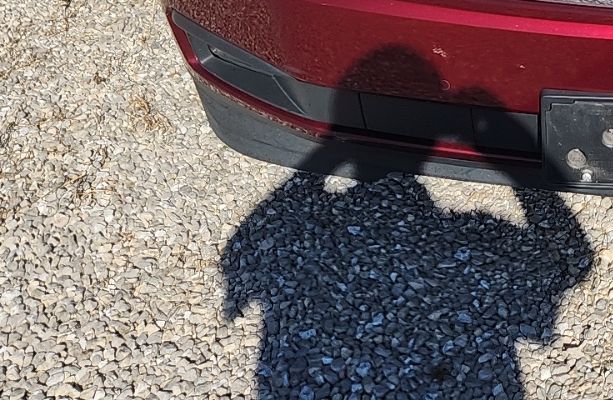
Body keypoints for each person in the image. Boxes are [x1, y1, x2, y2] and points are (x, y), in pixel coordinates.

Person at [220, 46, 592, 399]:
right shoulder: (479, 242)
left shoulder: (310, 245)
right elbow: (568, 265)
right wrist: (517, 168)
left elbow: (251, 249)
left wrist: (330, 150)